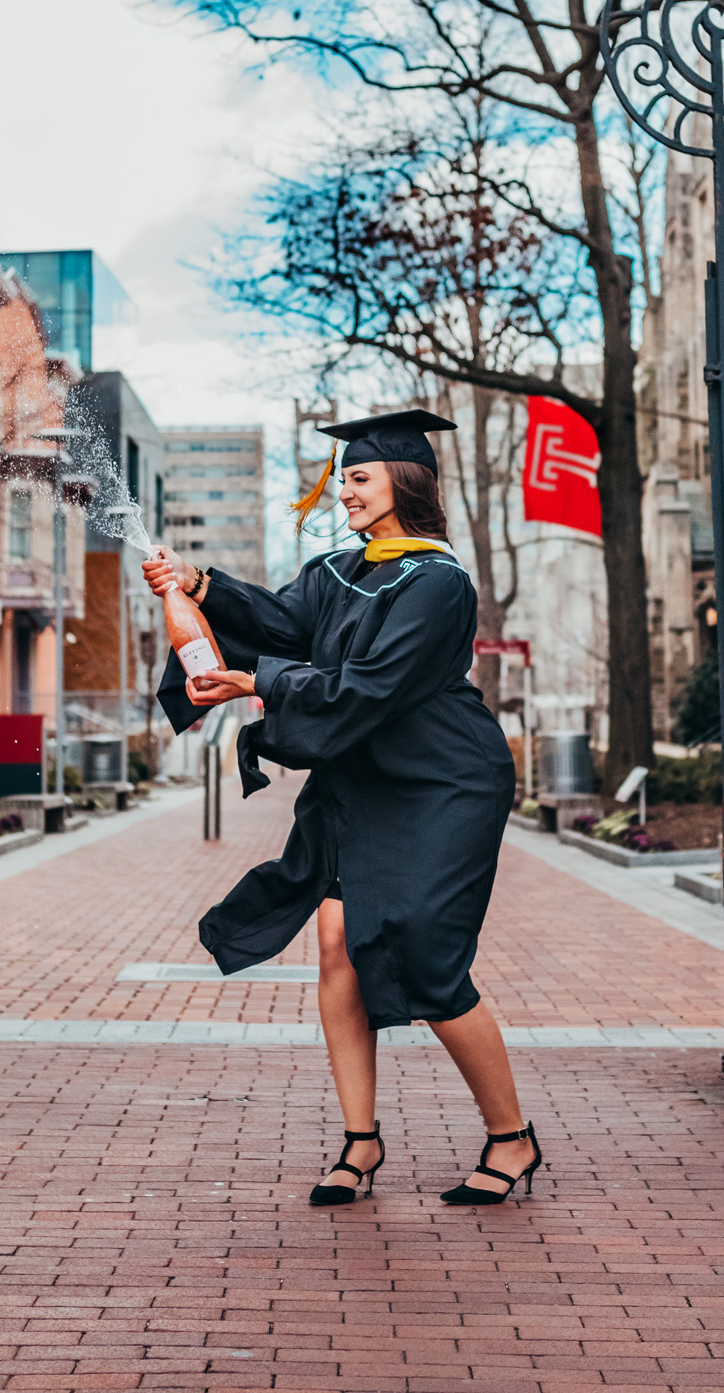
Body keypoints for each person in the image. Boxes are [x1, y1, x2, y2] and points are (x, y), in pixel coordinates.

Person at [144, 408, 541, 1207]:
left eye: (358, 478)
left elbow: (373, 684)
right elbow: (286, 624)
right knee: (334, 944)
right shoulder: (336, 569)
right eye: (344, 479)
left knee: (426, 953)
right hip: (364, 774)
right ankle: (360, 1143)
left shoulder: (438, 583)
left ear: (404, 480)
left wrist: (260, 682)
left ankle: (510, 1136)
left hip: (442, 780)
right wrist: (199, 586)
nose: (344, 493)